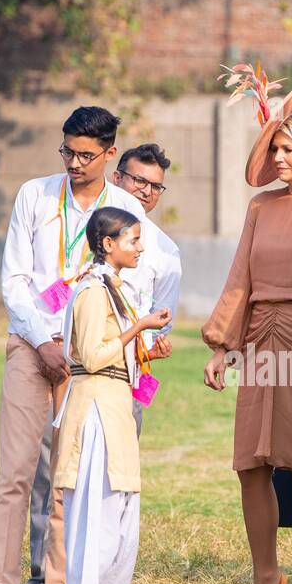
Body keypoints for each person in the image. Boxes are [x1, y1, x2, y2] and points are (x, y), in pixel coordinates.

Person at [0, 106, 144, 584]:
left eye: (85, 155)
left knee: (68, 477)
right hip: (32, 345)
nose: (74, 162)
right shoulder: (34, 195)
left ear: (110, 153)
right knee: (16, 472)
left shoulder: (125, 207)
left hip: (89, 361)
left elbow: (134, 282)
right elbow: (15, 280)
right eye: (67, 151)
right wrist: (44, 339)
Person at [202, 74, 292, 584]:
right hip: (258, 343)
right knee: (250, 464)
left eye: (286, 149)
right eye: (274, 148)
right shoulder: (261, 207)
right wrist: (222, 347)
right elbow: (240, 277)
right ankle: (266, 576)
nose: (277, 157)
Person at [51, 207, 170, 584]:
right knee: (95, 512)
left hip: (117, 405)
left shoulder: (114, 290)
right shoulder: (90, 291)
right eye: (132, 240)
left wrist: (147, 351)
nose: (139, 248)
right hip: (96, 406)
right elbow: (93, 355)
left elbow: (114, 355)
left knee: (121, 509)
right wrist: (138, 327)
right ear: (108, 244)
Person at [113, 143, 181, 436]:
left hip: (127, 370)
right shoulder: (85, 225)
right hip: (75, 361)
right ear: (117, 178)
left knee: (120, 465)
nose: (147, 191)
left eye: (156, 186)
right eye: (139, 180)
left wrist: (149, 345)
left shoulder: (165, 249)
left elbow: (162, 317)